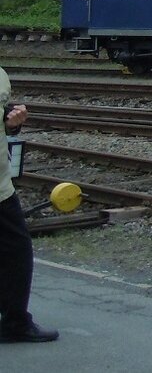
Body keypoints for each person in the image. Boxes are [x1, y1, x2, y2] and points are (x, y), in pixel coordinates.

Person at [0, 65, 58, 343]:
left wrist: (13, 121)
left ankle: (15, 321)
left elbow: (3, 122)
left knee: (16, 252)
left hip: (0, 186)